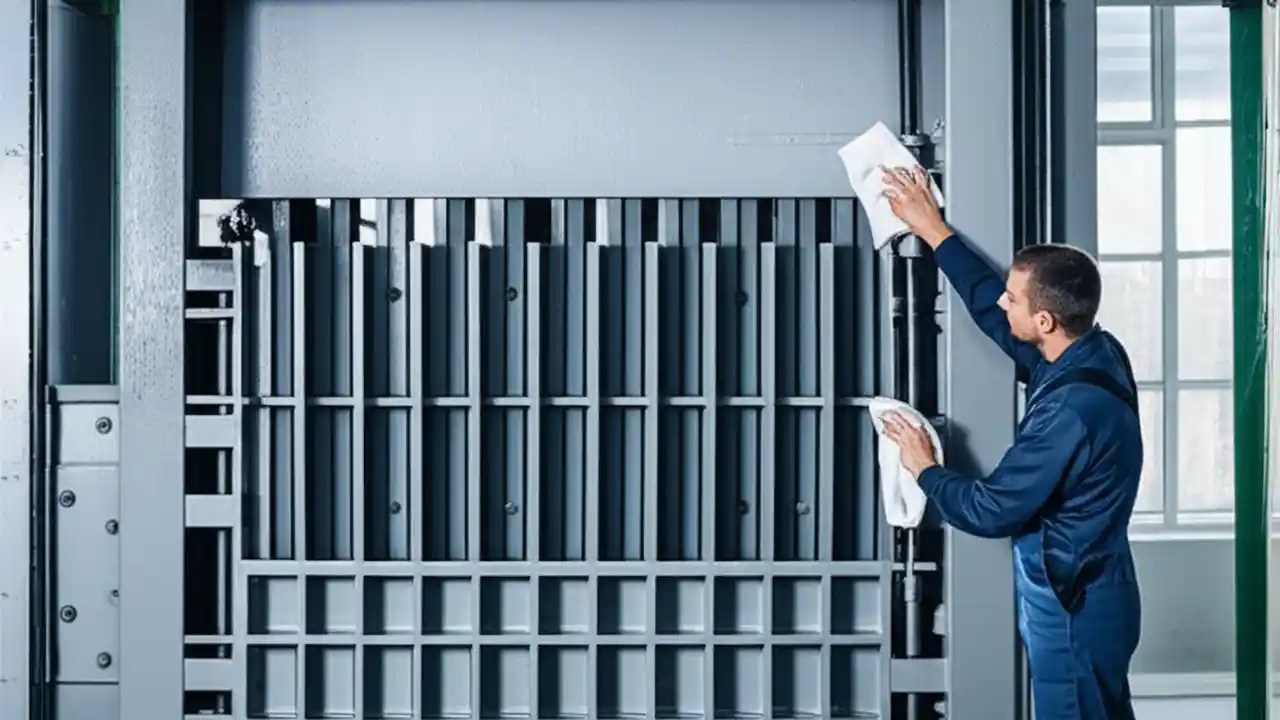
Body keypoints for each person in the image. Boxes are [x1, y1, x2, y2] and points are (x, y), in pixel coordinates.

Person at [877, 165, 1143, 720]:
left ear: (1045, 319)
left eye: (1014, 299)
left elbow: (993, 508)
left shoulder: (1069, 414)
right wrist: (935, 233)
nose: (1003, 302)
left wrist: (924, 468)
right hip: (1098, 585)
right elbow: (993, 317)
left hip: (1072, 604)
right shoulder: (1091, 350)